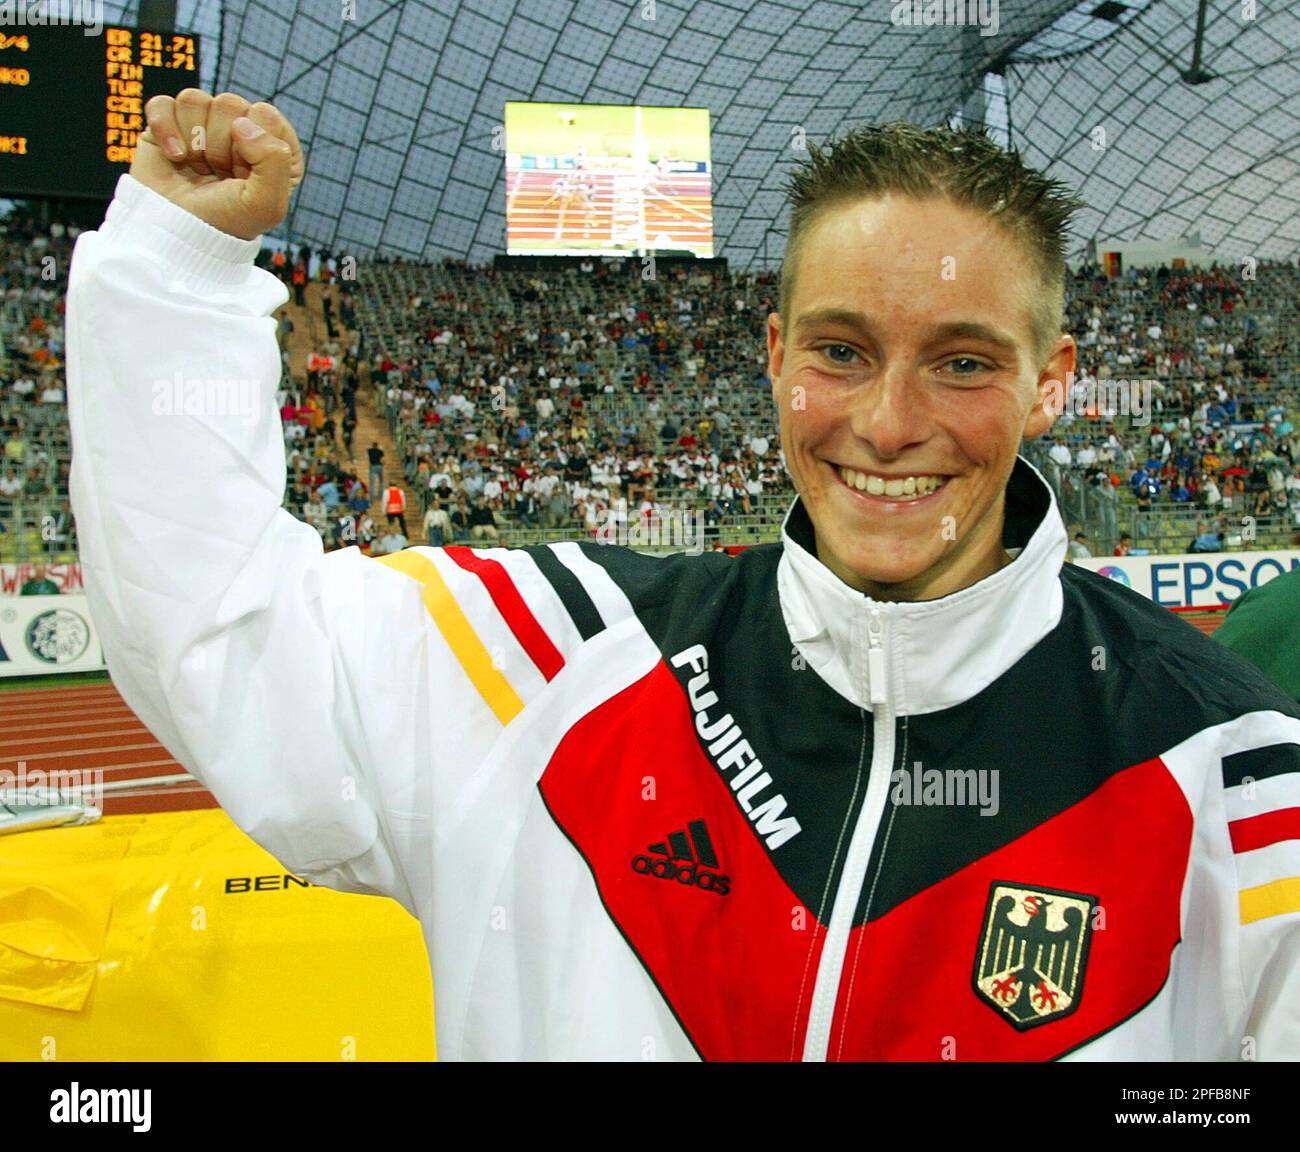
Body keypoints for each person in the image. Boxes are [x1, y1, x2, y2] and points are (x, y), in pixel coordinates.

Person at [66, 95, 1299, 1062]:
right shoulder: (551, 664)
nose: (885, 421)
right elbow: (222, 633)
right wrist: (175, 271)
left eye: (963, 363)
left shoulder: (1234, 783)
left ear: (1053, 381)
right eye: (839, 350)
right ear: (773, 356)